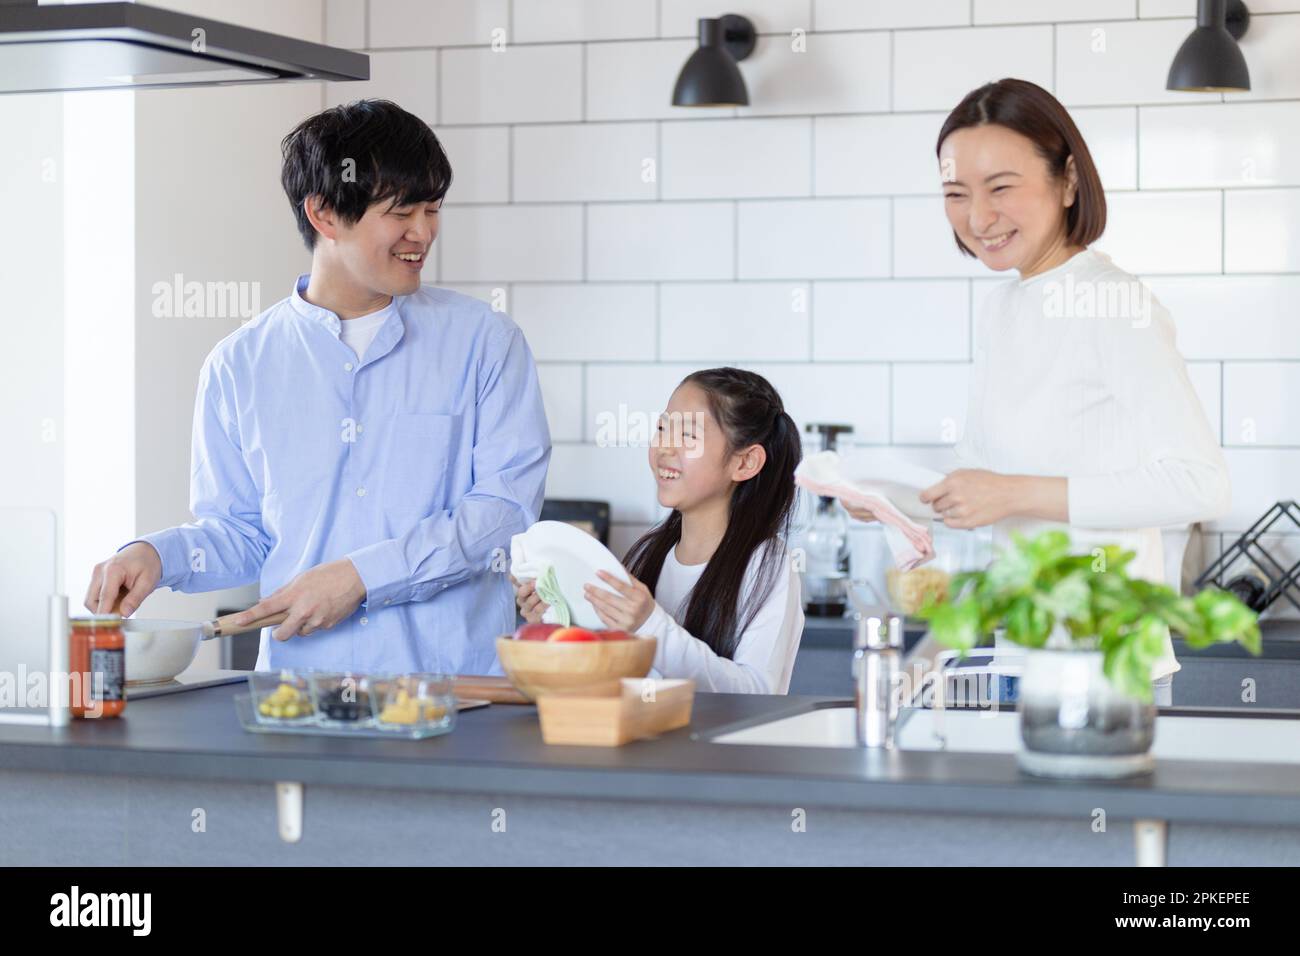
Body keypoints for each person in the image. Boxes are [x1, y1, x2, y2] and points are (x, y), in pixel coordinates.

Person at [83, 99, 550, 675]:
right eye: (403, 211)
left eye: (432, 209)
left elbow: (502, 516)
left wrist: (361, 577)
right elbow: (244, 532)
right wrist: (157, 554)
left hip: (458, 700)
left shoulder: (485, 342)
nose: (423, 233)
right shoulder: (239, 365)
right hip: (297, 700)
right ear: (325, 214)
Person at [844, 79, 1230, 703]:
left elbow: (1200, 482)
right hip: (1021, 654)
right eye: (956, 194)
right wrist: (890, 497)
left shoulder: (1113, 300)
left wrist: (1011, 492)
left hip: (1106, 667)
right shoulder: (1004, 308)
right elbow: (983, 480)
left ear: (1068, 180)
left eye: (1001, 187)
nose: (978, 217)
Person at [515, 368, 804, 694]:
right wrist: (554, 618)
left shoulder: (769, 563)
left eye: (688, 436)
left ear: (745, 463)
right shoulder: (646, 553)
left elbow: (756, 693)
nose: (665, 448)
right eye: (663, 429)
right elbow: (613, 674)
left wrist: (650, 625)